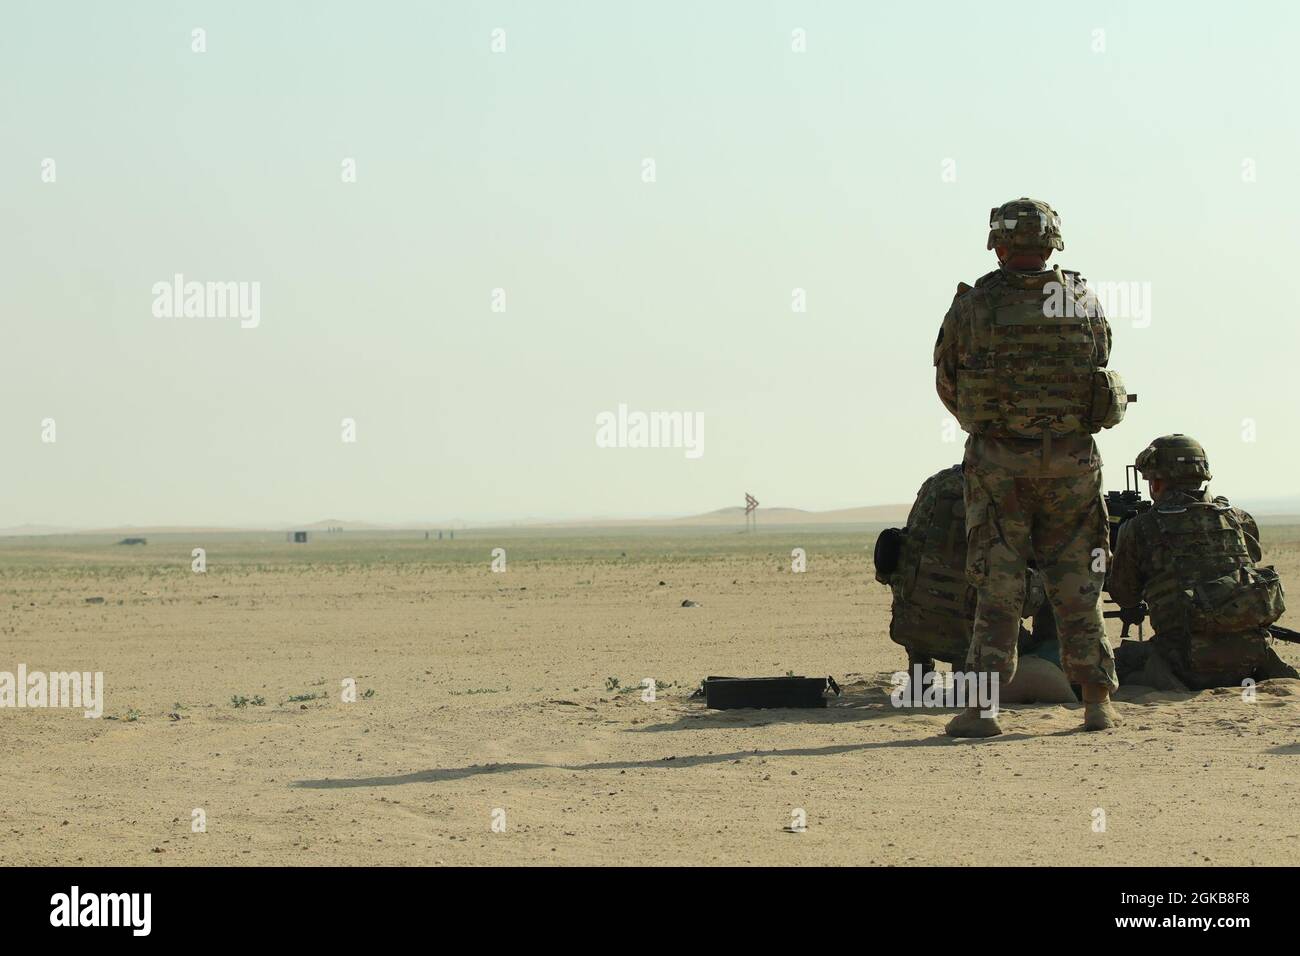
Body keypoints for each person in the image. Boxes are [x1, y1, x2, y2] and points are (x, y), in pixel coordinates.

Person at [934, 198, 1128, 736]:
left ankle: (982, 710)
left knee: (998, 584)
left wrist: (1000, 429)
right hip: (1071, 464)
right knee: (1077, 583)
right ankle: (1096, 703)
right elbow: (1101, 363)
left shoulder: (973, 307)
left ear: (998, 243)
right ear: (1052, 242)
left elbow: (949, 383)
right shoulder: (1081, 299)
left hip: (1000, 465)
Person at [1109, 434, 1297, 690]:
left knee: (1116, 665)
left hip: (1184, 664)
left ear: (1156, 482)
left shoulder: (1141, 528)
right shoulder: (1237, 519)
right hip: (1251, 658)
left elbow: (1125, 595)